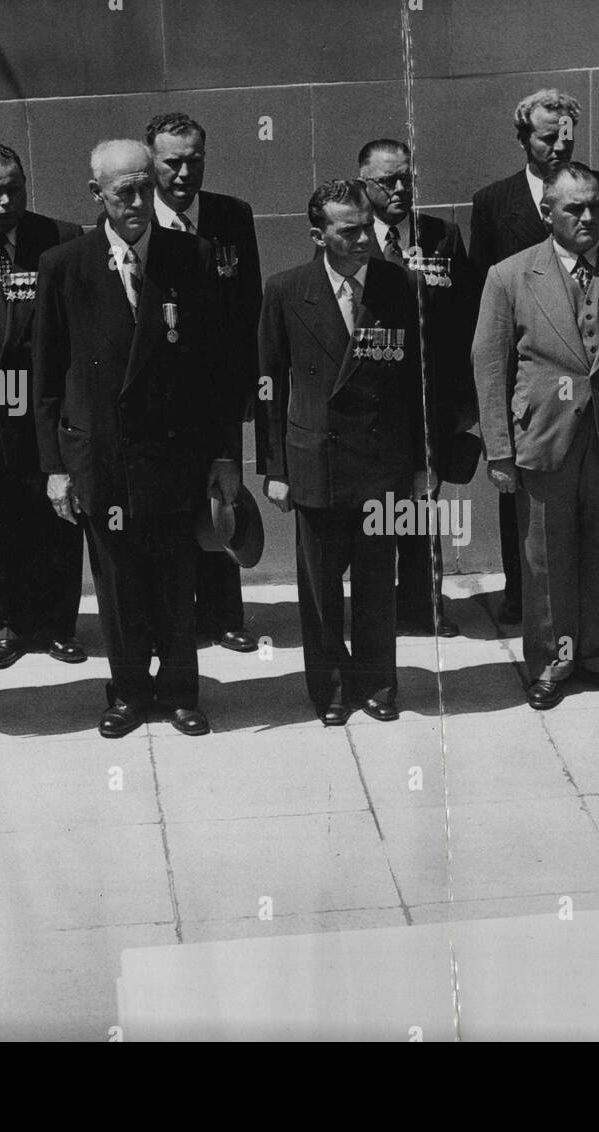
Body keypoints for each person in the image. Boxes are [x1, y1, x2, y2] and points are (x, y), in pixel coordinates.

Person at [32, 139, 242, 739]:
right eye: (124, 190)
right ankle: (126, 691)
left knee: (177, 577)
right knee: (118, 581)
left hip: (174, 454)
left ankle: (179, 691)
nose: (138, 200)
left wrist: (225, 454)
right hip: (100, 455)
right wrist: (55, 467)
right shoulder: (64, 266)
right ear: (96, 194)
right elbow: (46, 379)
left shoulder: (192, 257)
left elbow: (218, 369)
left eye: (145, 187)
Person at [473, 163, 599, 710]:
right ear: (548, 214)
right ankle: (551, 663)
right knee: (546, 560)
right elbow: (490, 365)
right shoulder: (510, 276)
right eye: (574, 208)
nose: (588, 217)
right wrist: (499, 449)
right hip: (544, 440)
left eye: (595, 206)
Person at [257, 179, 428, 726]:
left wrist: (421, 463)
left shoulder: (396, 285)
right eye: (347, 230)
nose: (361, 239)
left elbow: (414, 382)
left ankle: (378, 681)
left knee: (379, 580)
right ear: (318, 234)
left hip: (381, 462)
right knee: (321, 586)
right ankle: (329, 686)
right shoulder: (286, 290)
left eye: (364, 225)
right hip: (316, 462)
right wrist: (275, 469)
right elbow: (268, 385)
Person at [470, 88, 599, 626]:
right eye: (546, 135)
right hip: (527, 370)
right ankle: (522, 591)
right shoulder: (494, 201)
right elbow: (483, 294)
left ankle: (588, 609)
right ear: (522, 139)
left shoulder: (596, 191)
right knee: (526, 497)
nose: (559, 145)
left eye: (568, 135)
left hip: (587, 369)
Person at [0, 142, 86, 671]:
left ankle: (58, 625)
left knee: (57, 520)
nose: (6, 202)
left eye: (15, 189)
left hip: (45, 406)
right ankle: (3, 625)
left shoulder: (61, 238)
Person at [147, 111, 263, 654]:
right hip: (159, 395)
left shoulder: (231, 217)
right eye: (172, 161)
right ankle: (174, 617)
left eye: (194, 160)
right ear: (151, 162)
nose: (183, 173)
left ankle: (224, 615)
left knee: (222, 498)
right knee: (170, 507)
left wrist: (248, 390)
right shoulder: (133, 220)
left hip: (218, 391)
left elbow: (249, 307)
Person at [359, 137, 476, 638]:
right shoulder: (353, 235)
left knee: (424, 508)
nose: (401, 188)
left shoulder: (441, 235)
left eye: (407, 178)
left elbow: (465, 317)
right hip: (375, 401)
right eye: (388, 181)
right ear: (365, 183)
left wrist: (464, 402)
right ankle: (376, 610)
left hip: (430, 399)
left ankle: (425, 604)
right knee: (377, 511)